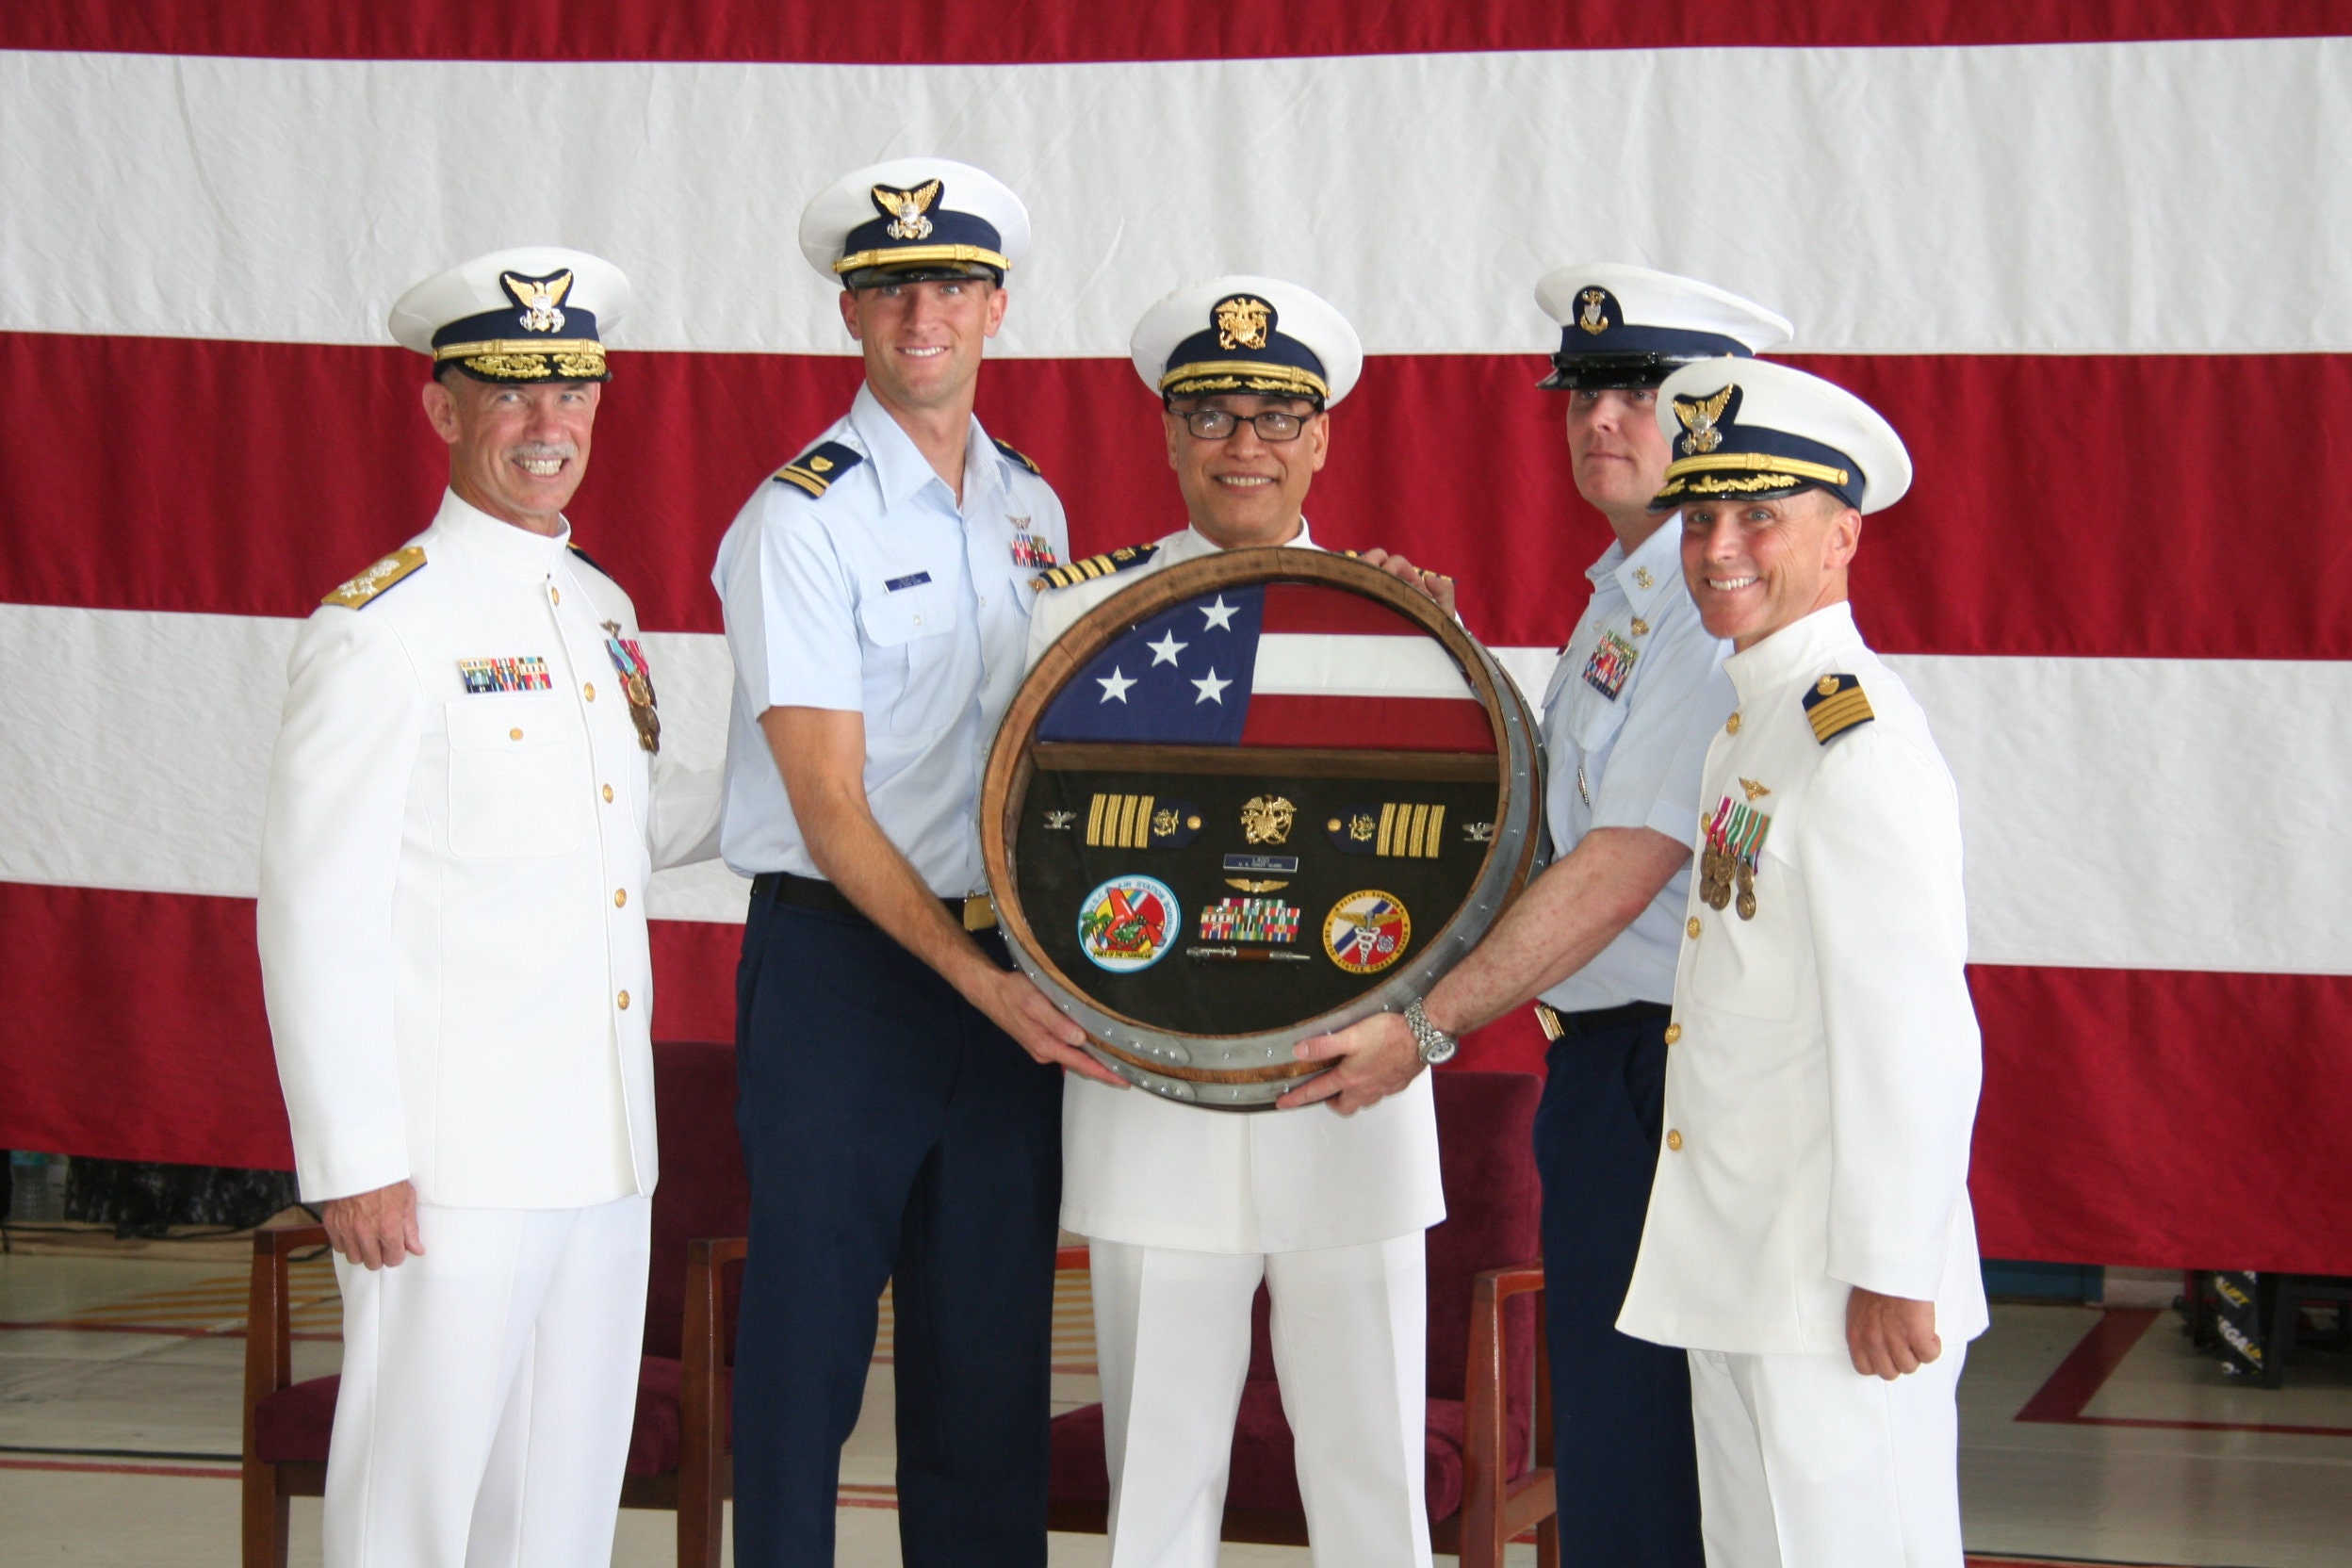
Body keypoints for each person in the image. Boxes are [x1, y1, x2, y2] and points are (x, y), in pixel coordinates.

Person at [1293, 265, 1790, 1564]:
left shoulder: (1699, 614)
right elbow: (1560, 819)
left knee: (1669, 1471)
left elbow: (1624, 861)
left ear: (1716, 412)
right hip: (1611, 1074)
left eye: (1640, 392)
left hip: (1672, 1078)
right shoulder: (1626, 599)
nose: (1600, 419)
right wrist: (1445, 653)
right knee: (1620, 1459)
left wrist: (1428, 1025)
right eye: (1583, 393)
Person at [256, 247, 722, 1568]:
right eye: (508, 390)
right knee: (415, 1508)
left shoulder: (598, 606)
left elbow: (630, 823)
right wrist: (353, 1158)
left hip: (602, 1150)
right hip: (447, 1166)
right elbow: (311, 904)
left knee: (559, 1512)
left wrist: (817, 762)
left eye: (569, 388)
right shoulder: (382, 625)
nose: (544, 423)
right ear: (443, 410)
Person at [711, 157, 1113, 1568]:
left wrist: (1017, 975)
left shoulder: (1033, 512)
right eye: (890, 289)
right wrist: (975, 978)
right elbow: (829, 808)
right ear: (851, 313)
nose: (920, 312)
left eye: (949, 283)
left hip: (1005, 972)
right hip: (847, 974)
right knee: (807, 1359)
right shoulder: (799, 521)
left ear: (996, 307)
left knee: (989, 1362)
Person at [1029, 276, 1454, 1568]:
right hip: (1150, 1094)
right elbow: (1023, 847)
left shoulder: (1404, 629)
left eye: (1278, 416)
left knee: (1374, 1482)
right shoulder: (1074, 617)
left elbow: (1473, 864)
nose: (1246, 446)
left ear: (1323, 436)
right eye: (1212, 415)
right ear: (1166, 433)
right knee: (1155, 1492)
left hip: (1351, 1102)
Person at [1617, 356, 1987, 1566]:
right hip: (1750, 1266)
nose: (1718, 545)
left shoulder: (1854, 738)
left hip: (1834, 1287)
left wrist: (1891, 1265)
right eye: (1700, 512)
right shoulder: (1759, 716)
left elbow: (1917, 1030)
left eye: (1759, 514)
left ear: (1843, 537)